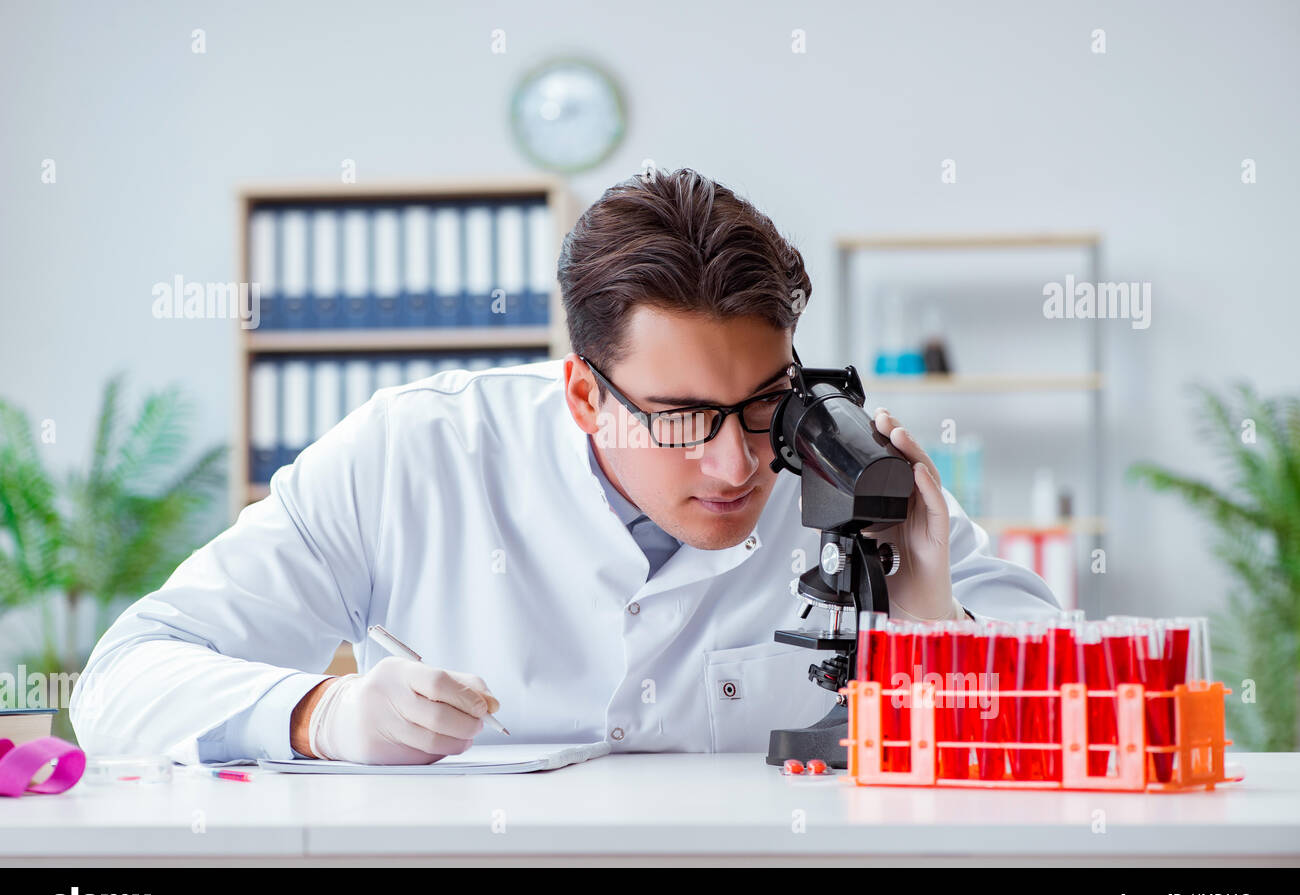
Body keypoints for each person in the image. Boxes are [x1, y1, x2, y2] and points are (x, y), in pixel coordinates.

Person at [70, 168, 1060, 765]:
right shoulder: (414, 452)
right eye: (679, 417)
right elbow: (119, 683)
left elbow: (1062, 717)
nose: (738, 462)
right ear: (585, 394)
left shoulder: (834, 461)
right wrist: (319, 714)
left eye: (763, 402)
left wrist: (928, 604)